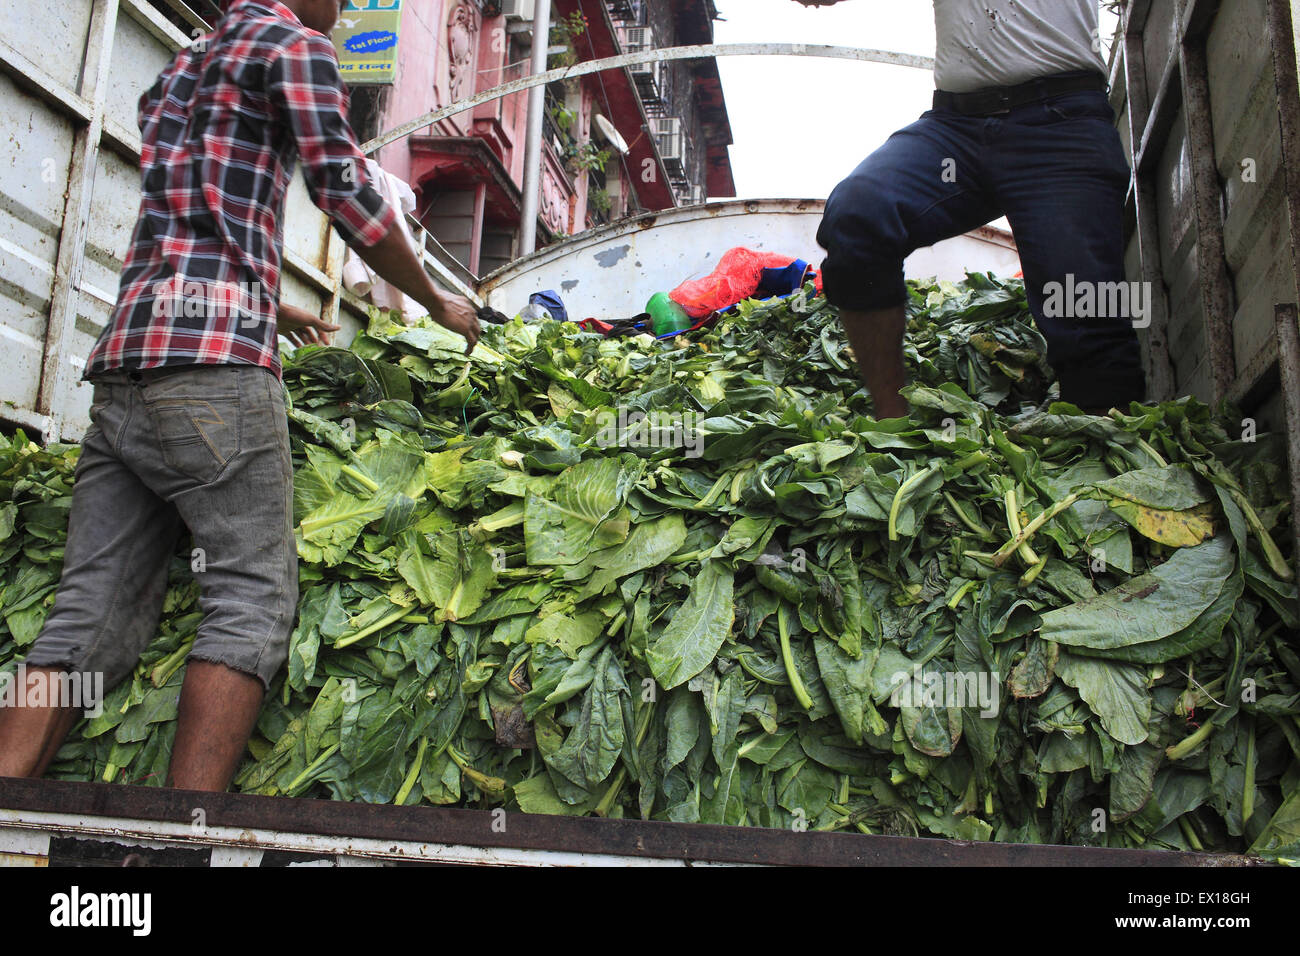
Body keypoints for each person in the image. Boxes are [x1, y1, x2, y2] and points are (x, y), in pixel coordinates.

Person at [0, 0, 479, 791]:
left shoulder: (184, 65)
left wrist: (267, 300)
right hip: (213, 375)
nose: (347, 8)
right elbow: (348, 191)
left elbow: (193, 216)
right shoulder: (296, 48)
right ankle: (189, 840)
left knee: (85, 611)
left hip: (126, 364)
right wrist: (436, 301)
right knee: (252, 595)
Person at [797, 0, 1145, 418]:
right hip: (956, 127)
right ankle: (893, 421)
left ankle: (1107, 446)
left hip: (1062, 121)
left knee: (1082, 301)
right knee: (860, 214)